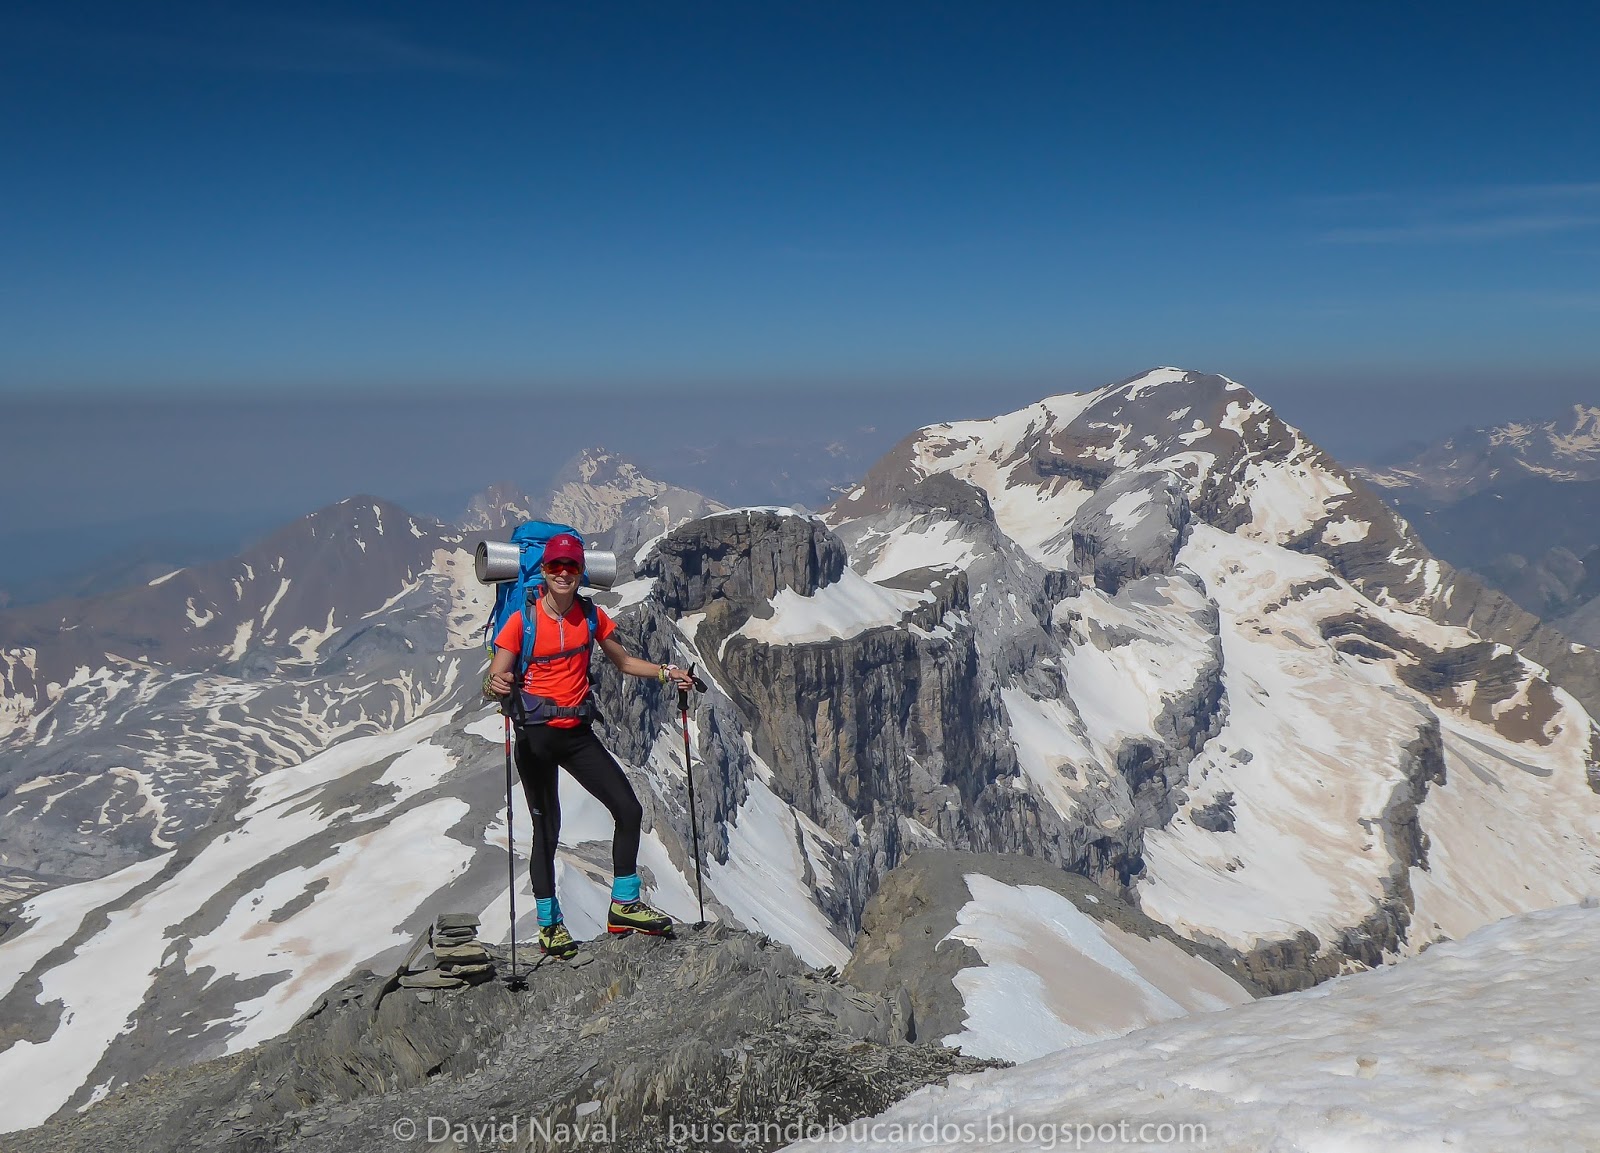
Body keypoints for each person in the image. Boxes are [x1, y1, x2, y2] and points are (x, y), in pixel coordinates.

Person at [486, 532, 696, 958]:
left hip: (577, 735)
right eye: (555, 567)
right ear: (543, 572)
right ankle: (550, 925)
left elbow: (622, 661)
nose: (563, 574)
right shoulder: (521, 621)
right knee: (547, 831)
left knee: (628, 809)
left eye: (571, 567)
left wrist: (666, 673)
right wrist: (497, 683)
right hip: (536, 738)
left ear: (581, 573)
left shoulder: (590, 615)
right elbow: (494, 679)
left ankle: (623, 906)